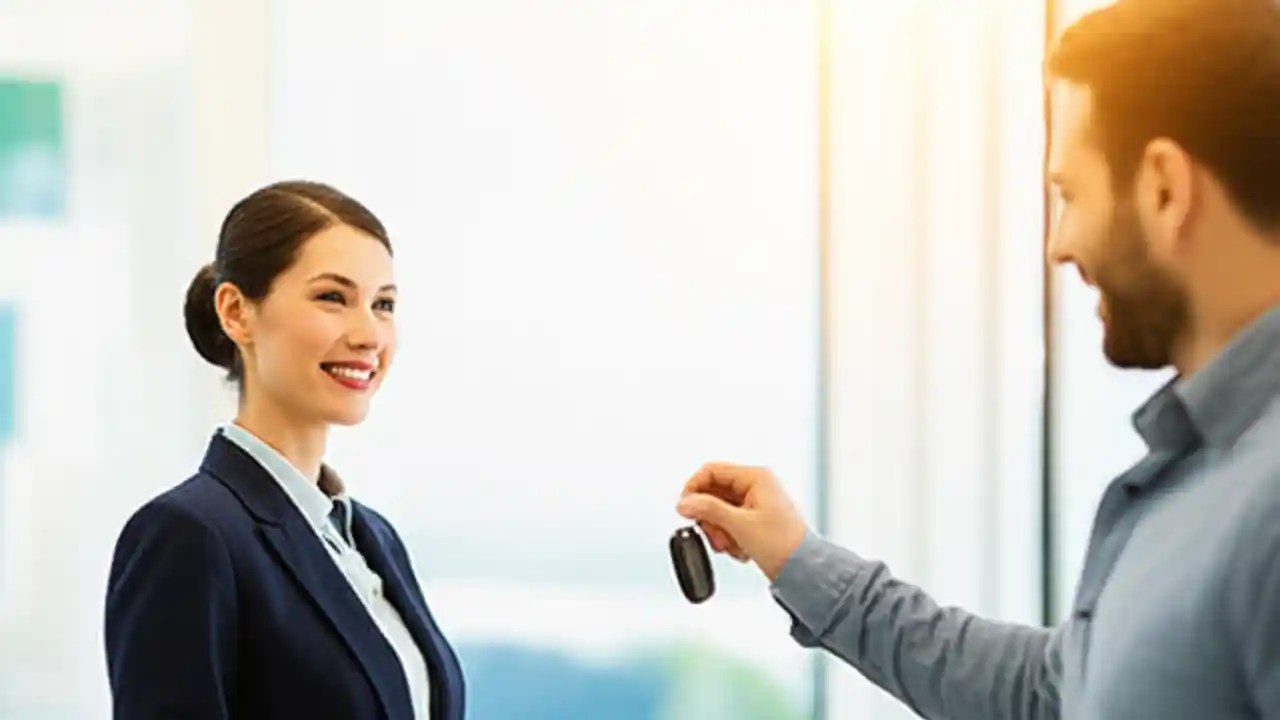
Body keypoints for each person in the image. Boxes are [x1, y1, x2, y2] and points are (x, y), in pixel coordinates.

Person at [677, 0, 1280, 718]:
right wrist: (796, 558)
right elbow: (1051, 694)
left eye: (1070, 194)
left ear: (1163, 188)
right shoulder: (1205, 477)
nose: (1060, 245)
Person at [104, 181, 465, 719]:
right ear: (235, 312)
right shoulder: (189, 535)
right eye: (332, 298)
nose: (369, 333)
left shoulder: (372, 538)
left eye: (383, 304)